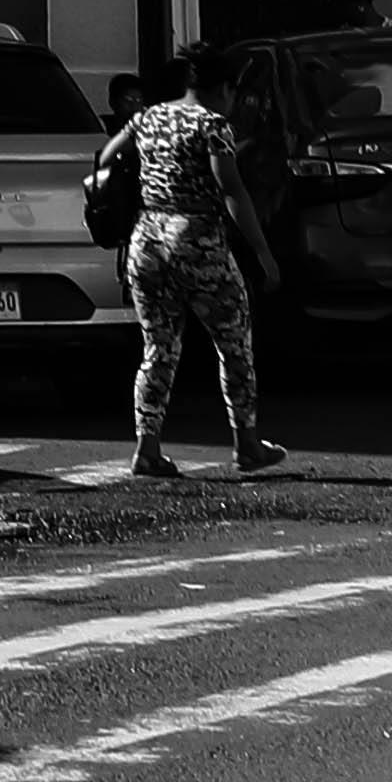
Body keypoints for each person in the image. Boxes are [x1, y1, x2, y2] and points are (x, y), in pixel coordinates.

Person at [115, 65, 290, 482]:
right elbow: (231, 189)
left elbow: (108, 157)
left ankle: (147, 450)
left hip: (148, 239)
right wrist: (263, 253)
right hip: (197, 241)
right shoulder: (212, 125)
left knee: (158, 348)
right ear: (223, 88)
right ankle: (246, 444)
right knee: (233, 343)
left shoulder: (148, 117)